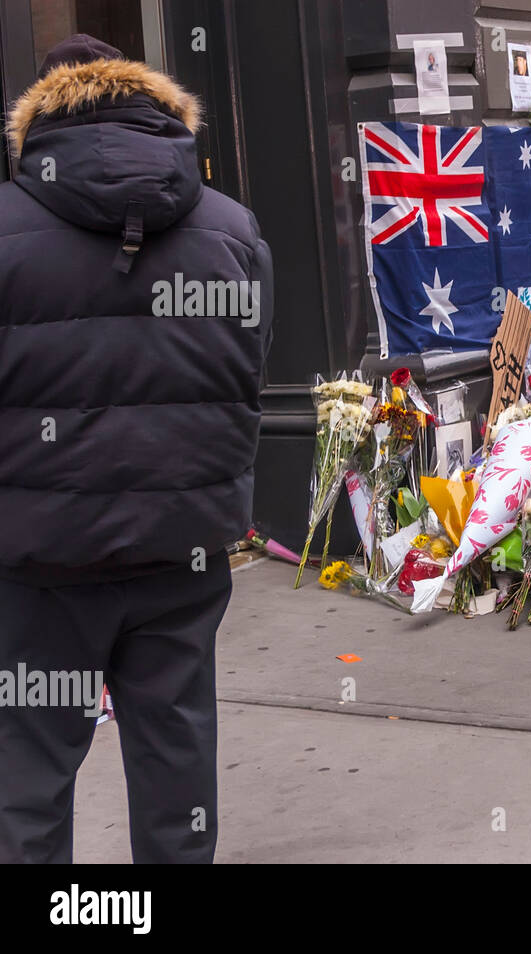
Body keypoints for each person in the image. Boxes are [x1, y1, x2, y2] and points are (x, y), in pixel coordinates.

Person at [0, 35, 271, 862]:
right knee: (176, 759)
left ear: (38, 121)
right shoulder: (231, 230)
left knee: (28, 779)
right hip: (180, 546)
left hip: (38, 559)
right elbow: (248, 370)